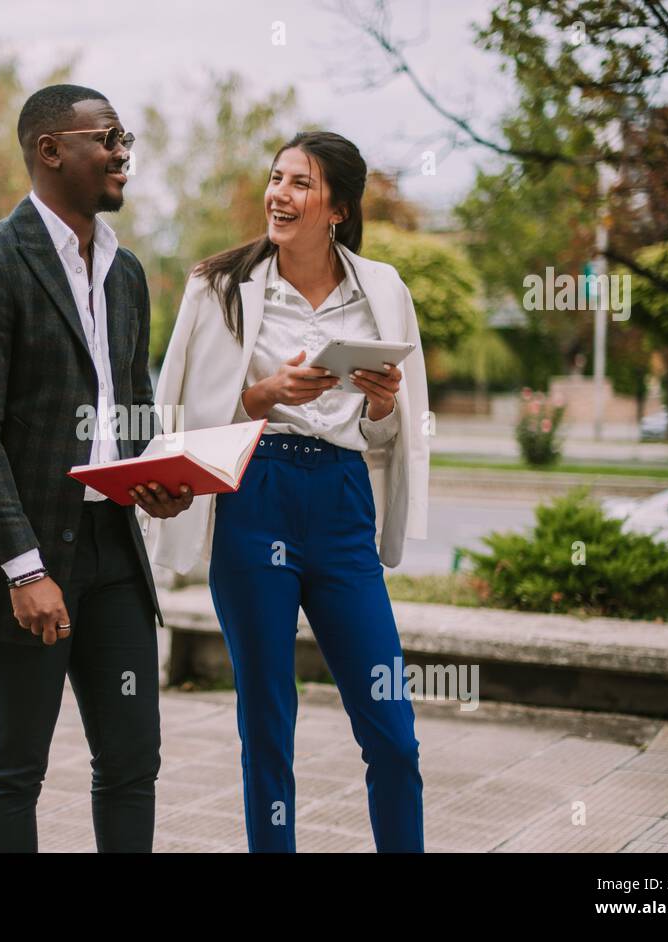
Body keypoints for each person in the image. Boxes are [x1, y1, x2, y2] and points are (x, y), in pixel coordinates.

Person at [0, 84, 192, 853]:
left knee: (134, 759)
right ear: (51, 150)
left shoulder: (127, 272)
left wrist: (154, 478)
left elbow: (129, 404)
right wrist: (22, 568)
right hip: (27, 556)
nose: (122, 155)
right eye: (107, 138)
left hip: (114, 550)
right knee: (15, 768)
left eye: (125, 139)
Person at [145, 131, 430, 853]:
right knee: (268, 724)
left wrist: (382, 403)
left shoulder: (385, 291)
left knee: (393, 732)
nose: (280, 194)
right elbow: (179, 410)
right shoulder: (218, 284)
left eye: (300, 183)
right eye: (276, 179)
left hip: (340, 502)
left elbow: (391, 439)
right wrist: (262, 396)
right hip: (255, 494)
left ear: (337, 206)